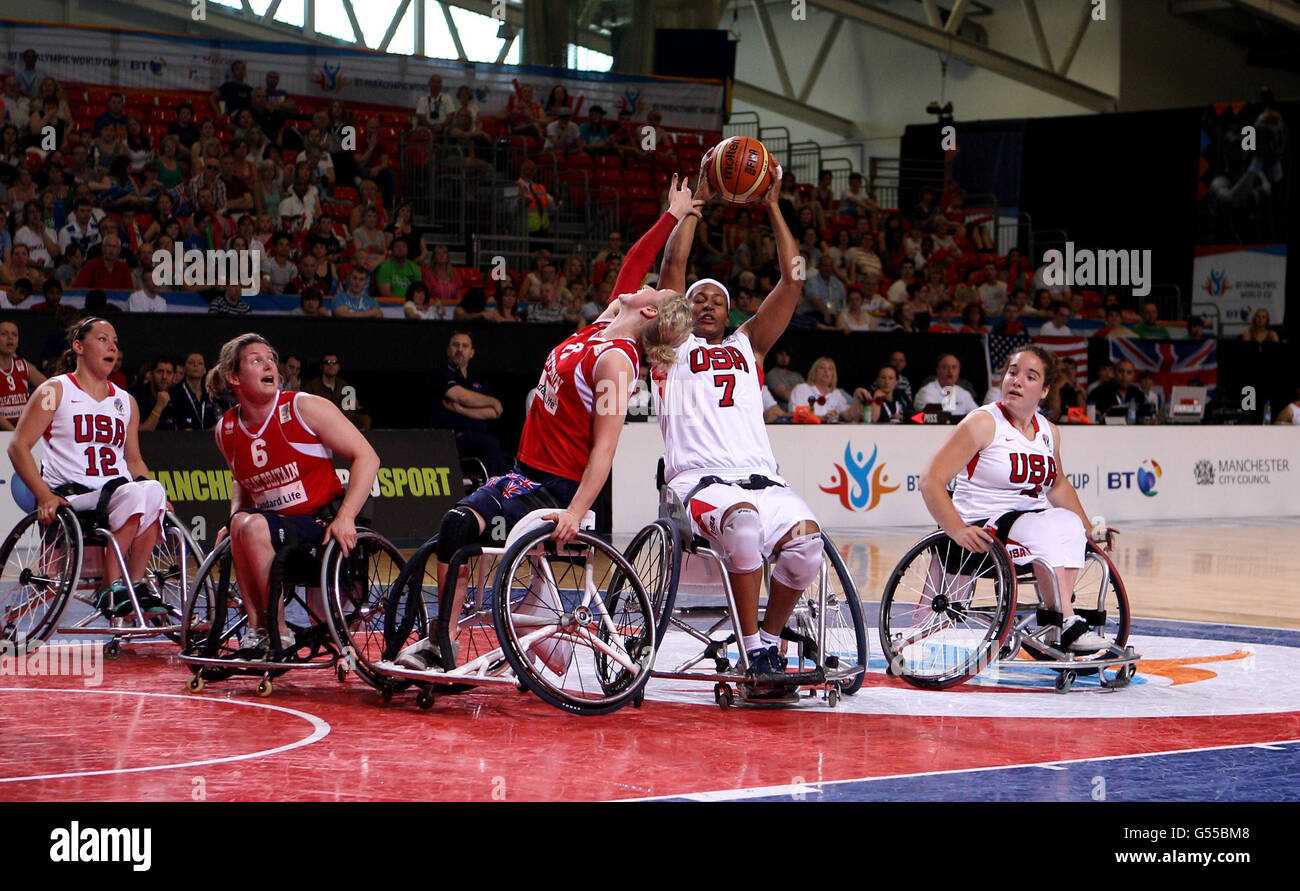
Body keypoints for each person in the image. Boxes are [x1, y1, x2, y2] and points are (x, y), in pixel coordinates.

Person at [394, 179, 698, 672]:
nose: (644, 284)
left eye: (652, 290)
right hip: (528, 474)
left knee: (456, 525)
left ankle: (440, 643)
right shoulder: (605, 327)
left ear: (646, 311)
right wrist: (673, 215)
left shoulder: (617, 363)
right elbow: (633, 265)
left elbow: (603, 452)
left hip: (553, 489)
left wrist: (576, 513)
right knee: (459, 528)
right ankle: (490, 627)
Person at [656, 154, 828, 695]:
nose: (706, 303)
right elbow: (670, 276)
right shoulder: (670, 348)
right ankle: (752, 646)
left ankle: (770, 643)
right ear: (682, 311)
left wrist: (774, 206)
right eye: (697, 299)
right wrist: (695, 205)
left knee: (806, 546)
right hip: (700, 483)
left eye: (717, 300)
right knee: (746, 525)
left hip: (762, 477)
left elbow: (793, 281)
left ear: (730, 314)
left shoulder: (747, 346)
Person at [919, 344, 1115, 653]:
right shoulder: (983, 423)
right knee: (1044, 529)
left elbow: (1058, 485)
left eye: (1030, 376)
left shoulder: (1049, 432)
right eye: (1012, 372)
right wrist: (955, 528)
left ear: (1045, 390)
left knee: (1069, 523)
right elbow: (931, 479)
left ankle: (1057, 624)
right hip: (984, 523)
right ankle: (1067, 620)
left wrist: (1089, 528)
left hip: (1028, 522)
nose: (1017, 381)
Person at [208, 333, 379, 655]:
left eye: (270, 357)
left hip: (317, 522)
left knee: (251, 525)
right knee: (242, 525)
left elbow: (367, 457)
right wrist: (233, 518)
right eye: (256, 360)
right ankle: (258, 627)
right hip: (272, 526)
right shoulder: (226, 430)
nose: (268, 363)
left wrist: (346, 518)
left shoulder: (304, 407)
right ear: (234, 377)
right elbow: (243, 482)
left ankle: (278, 629)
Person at [8, 317, 169, 618]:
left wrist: (156, 497)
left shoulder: (126, 402)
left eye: (115, 342)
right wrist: (43, 496)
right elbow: (17, 447)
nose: (112, 347)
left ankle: (134, 586)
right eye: (103, 339)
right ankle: (113, 587)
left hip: (117, 492)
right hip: (74, 496)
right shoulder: (53, 391)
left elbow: (133, 460)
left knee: (153, 491)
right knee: (138, 494)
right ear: (78, 346)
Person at [0, 320, 47, 431]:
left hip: (22, 427)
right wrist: (14, 433)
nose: (10, 338)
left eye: (14, 335)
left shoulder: (23, 365)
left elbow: (51, 389)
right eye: (4, 334)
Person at [304, 353, 369, 429]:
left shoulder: (343, 384)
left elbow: (353, 407)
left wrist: (353, 403)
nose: (331, 365)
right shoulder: (312, 385)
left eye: (334, 362)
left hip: (342, 419)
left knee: (364, 419)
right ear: (321, 366)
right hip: (322, 420)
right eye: (327, 362)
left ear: (338, 366)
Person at [790, 358, 862, 422]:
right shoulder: (801, 389)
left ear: (833, 375)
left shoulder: (836, 393)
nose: (826, 371)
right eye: (822, 367)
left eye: (830, 369)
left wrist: (857, 398)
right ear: (814, 372)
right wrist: (822, 418)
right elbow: (795, 415)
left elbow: (850, 416)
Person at [165, 351, 220, 430]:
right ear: (184, 369)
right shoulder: (175, 393)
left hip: (209, 439)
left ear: (204, 370)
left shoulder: (210, 393)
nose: (195, 365)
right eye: (191, 362)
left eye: (200, 363)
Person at [914, 354, 978, 416]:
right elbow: (930, 416)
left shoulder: (964, 394)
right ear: (938, 370)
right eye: (945, 367)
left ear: (959, 371)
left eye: (954, 367)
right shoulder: (927, 392)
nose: (950, 371)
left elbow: (977, 415)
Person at [131, 356, 175, 432]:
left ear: (174, 377)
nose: (164, 377)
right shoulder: (135, 396)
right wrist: (159, 406)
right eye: (160, 372)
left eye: (168, 373)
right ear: (151, 375)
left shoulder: (178, 396)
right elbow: (141, 434)